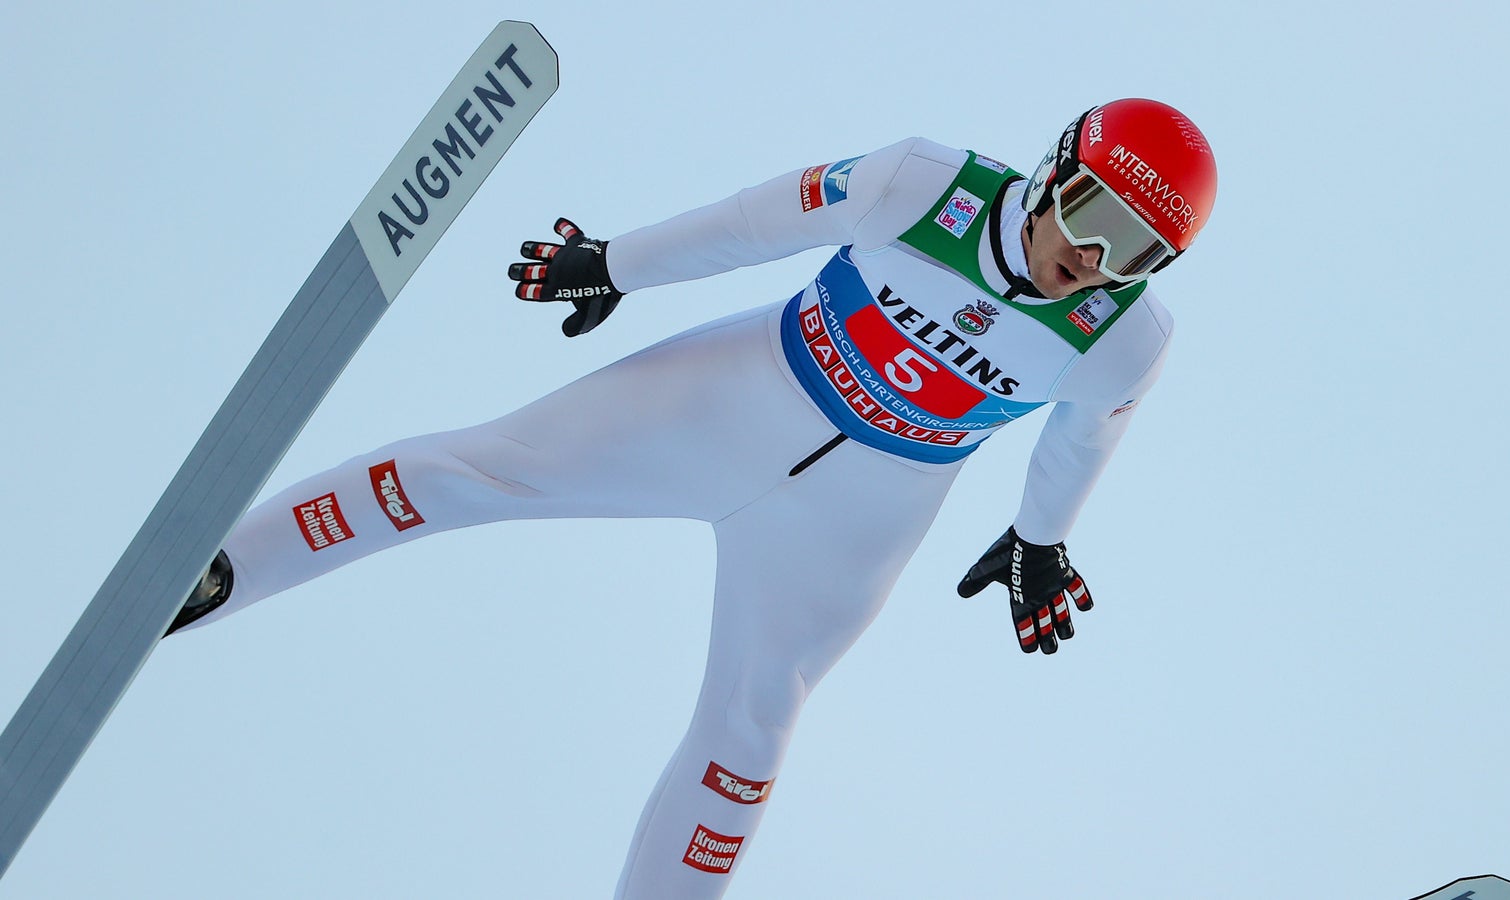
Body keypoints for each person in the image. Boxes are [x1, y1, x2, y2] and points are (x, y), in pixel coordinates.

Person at [167, 97, 1218, 899]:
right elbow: (756, 221)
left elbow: (1079, 445)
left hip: (860, 516)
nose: (1090, 257)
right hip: (731, 394)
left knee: (751, 733)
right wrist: (612, 264)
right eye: (1090, 215)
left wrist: (1041, 545)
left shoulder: (1126, 339)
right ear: (1048, 175)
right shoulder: (922, 184)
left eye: (1133, 251)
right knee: (478, 470)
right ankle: (225, 569)